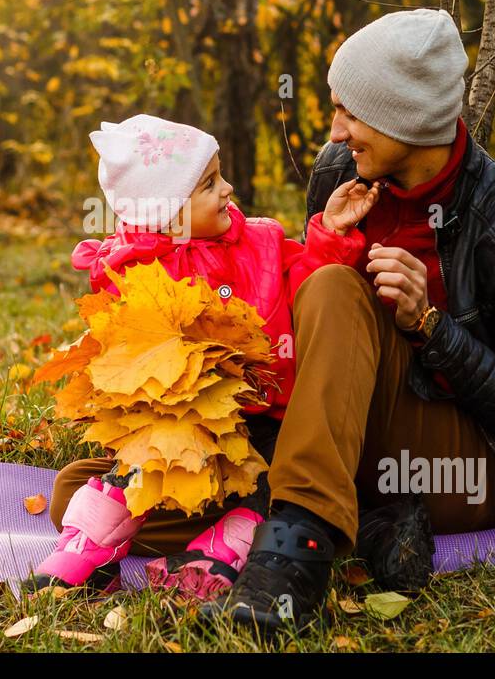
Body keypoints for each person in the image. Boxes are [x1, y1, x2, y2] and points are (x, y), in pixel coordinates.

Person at [197, 7, 495, 636]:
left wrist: (432, 327)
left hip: (467, 465)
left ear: (406, 119)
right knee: (85, 493)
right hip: (349, 431)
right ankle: (371, 526)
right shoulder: (341, 172)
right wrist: (320, 240)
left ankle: (290, 565)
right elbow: (310, 329)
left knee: (336, 288)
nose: (336, 133)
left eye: (351, 114)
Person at [24, 113, 377, 598]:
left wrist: (331, 235)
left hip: (265, 419)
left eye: (221, 174)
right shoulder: (135, 273)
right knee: (131, 470)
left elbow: (310, 287)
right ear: (169, 213)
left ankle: (220, 551)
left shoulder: (261, 242)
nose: (228, 188)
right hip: (184, 429)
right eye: (210, 183)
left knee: (271, 480)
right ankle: (89, 549)